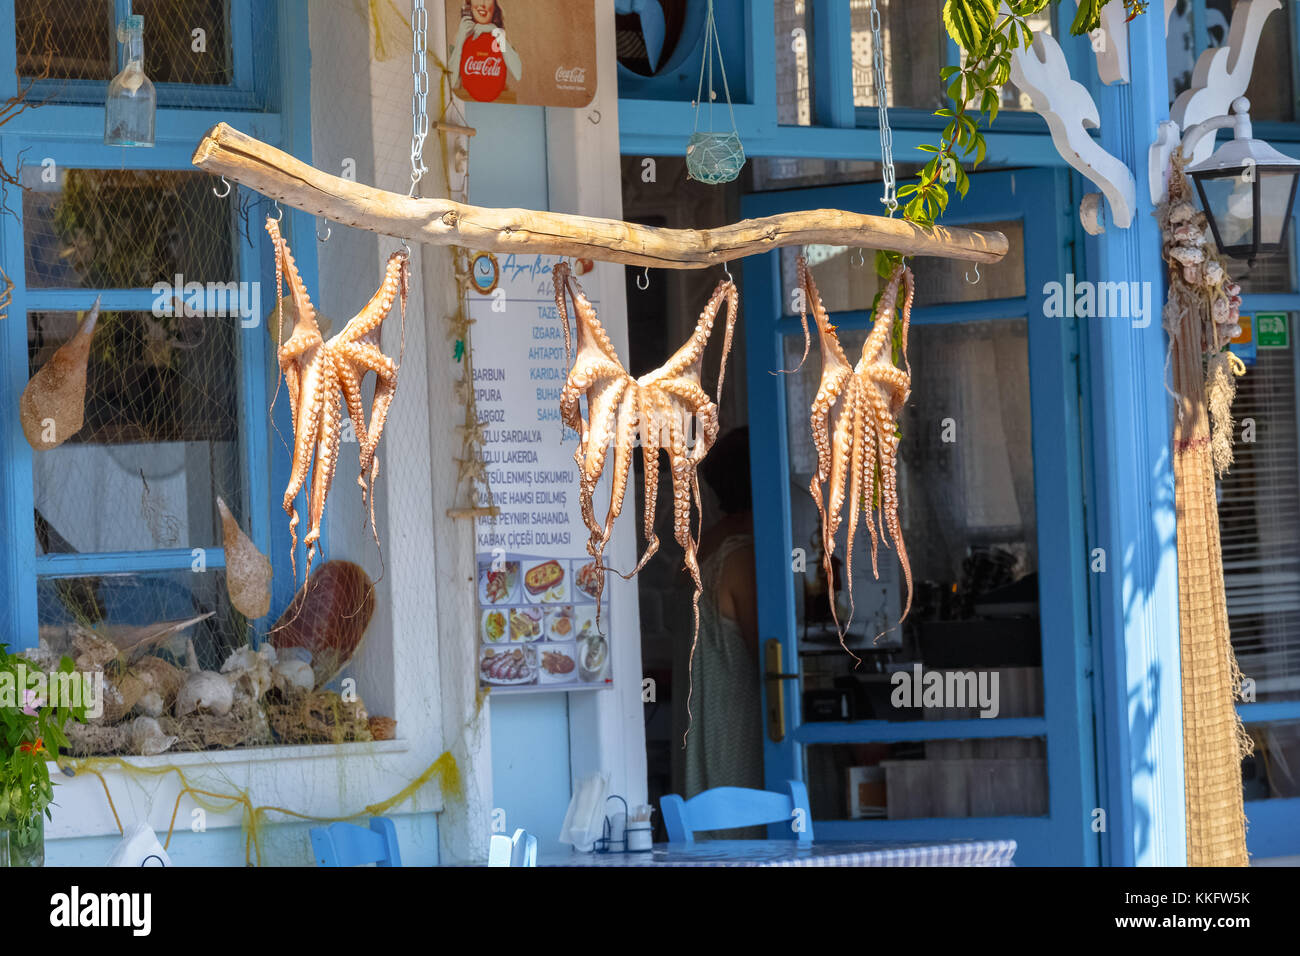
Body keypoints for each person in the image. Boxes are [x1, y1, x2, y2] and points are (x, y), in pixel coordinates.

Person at [675, 426, 765, 806]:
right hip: (741, 728)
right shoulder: (741, 556)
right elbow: (768, 655)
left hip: (705, 724)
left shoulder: (702, 548)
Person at [450, 1, 522, 102]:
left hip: (498, 102)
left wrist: (497, 34)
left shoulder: (501, 36)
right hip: (467, 102)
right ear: (469, 4)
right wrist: (461, 39)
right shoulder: (461, 35)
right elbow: (450, 83)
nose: (482, 4)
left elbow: (518, 73)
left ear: (495, 5)